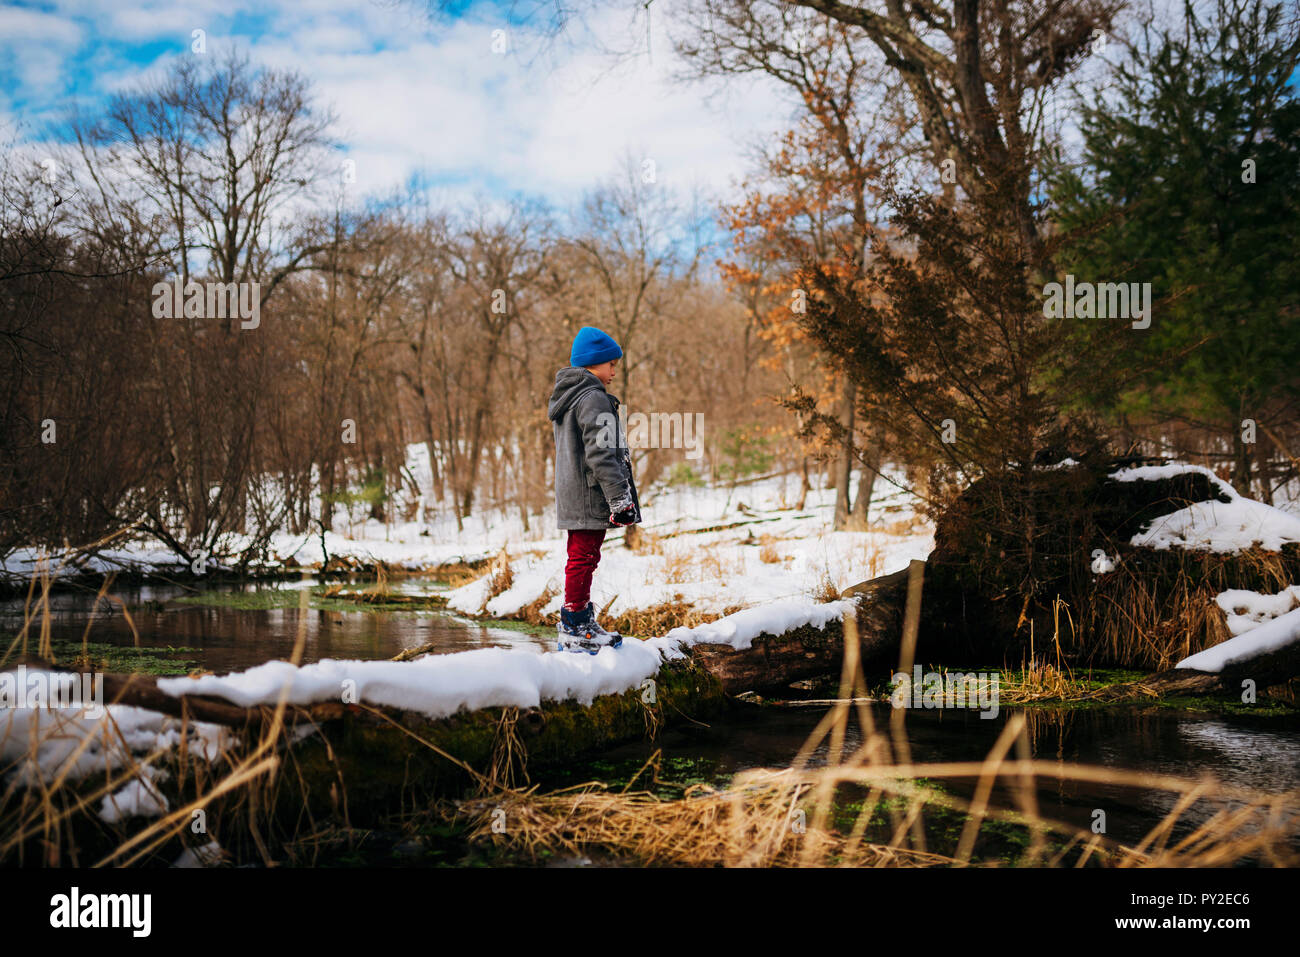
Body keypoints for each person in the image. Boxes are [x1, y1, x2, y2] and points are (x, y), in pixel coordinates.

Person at [546, 326, 641, 653]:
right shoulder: (592, 397)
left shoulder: (570, 397)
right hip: (589, 494)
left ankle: (578, 622)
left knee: (582, 556)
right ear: (592, 363)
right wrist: (620, 499)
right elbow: (601, 453)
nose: (614, 371)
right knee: (584, 557)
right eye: (610, 364)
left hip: (575, 492)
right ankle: (575, 626)